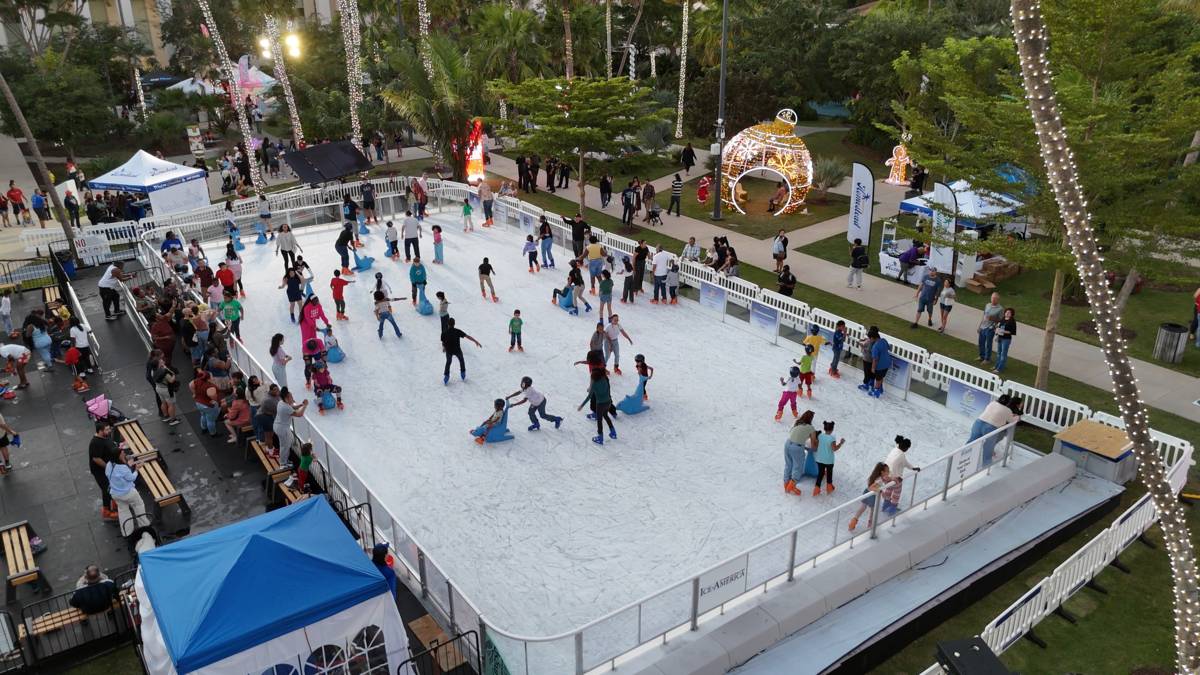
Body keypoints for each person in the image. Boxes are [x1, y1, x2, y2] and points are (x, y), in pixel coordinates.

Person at [968, 395, 1022, 464]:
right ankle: (986, 467)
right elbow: (1012, 420)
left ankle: (962, 457)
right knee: (988, 449)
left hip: (978, 422)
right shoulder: (1007, 410)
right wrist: (1017, 417)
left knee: (971, 442)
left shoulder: (992, 403)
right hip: (990, 428)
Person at [89, 422, 119, 521]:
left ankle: (114, 503)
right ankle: (107, 512)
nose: (109, 431)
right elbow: (96, 458)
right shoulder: (95, 443)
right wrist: (108, 467)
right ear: (100, 431)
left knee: (112, 486)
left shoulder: (106, 437)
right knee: (106, 489)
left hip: (108, 468)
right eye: (107, 429)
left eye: (109, 429)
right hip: (100, 471)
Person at [882, 435, 920, 512]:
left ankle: (885, 505)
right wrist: (913, 468)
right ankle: (892, 509)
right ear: (906, 448)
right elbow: (906, 464)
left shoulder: (894, 450)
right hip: (895, 479)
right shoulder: (901, 455)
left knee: (889, 489)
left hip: (886, 476)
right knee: (897, 492)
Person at [579, 367, 616, 445]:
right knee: (605, 415)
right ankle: (613, 432)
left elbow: (589, 397)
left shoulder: (595, 384)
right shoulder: (604, 379)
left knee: (599, 420)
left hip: (600, 404)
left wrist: (582, 405)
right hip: (608, 402)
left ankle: (600, 437)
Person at [847, 463, 890, 531]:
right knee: (872, 510)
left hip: (866, 492)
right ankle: (870, 525)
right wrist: (878, 490)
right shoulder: (879, 480)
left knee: (863, 508)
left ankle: (853, 522)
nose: (889, 472)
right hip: (871, 495)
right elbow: (871, 487)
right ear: (882, 472)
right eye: (887, 471)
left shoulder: (877, 477)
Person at [783, 411, 817, 496]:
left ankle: (786, 484)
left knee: (788, 465)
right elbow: (813, 444)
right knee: (798, 467)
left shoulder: (797, 422)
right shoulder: (811, 428)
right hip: (797, 447)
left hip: (787, 444)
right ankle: (790, 486)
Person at [440, 318, 482, 384]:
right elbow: (467, 336)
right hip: (457, 350)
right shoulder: (457, 331)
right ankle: (463, 373)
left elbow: (443, 342)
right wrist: (475, 341)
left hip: (449, 351)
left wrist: (444, 348)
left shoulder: (444, 333)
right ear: (454, 324)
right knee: (461, 360)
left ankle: (446, 376)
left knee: (448, 362)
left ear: (448, 324)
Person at [272, 387, 309, 458]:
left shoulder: (281, 402)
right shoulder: (285, 407)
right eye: (291, 397)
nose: (293, 398)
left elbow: (292, 408)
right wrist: (305, 406)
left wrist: (301, 404)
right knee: (285, 447)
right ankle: (283, 463)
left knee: (284, 445)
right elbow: (299, 414)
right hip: (282, 429)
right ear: (286, 398)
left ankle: (284, 461)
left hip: (278, 426)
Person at [812, 420, 844, 495]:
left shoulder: (820, 436)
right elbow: (834, 449)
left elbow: (816, 444)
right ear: (832, 429)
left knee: (820, 473)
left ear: (824, 428)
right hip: (829, 460)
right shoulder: (832, 439)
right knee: (829, 474)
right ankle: (829, 488)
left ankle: (816, 490)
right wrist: (841, 443)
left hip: (820, 459)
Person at [978, 292, 1004, 363]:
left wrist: (993, 318)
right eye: (992, 298)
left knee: (988, 344)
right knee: (981, 342)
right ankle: (981, 356)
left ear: (998, 300)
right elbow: (983, 316)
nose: (993, 299)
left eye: (995, 298)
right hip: (983, 327)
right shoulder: (987, 305)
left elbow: (1002, 320)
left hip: (990, 328)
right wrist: (979, 326)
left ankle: (987, 359)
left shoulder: (1000, 309)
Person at [866, 326, 891, 398]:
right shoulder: (884, 340)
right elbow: (889, 348)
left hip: (880, 366)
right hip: (887, 363)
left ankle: (876, 392)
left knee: (878, 379)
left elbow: (875, 359)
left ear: (873, 338)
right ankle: (880, 389)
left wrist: (873, 368)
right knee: (881, 377)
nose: (869, 340)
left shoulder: (875, 347)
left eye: (869, 338)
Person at [993, 308, 1017, 373]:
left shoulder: (1012, 321)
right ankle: (997, 365)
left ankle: (999, 369)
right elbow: (999, 327)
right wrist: (997, 332)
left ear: (1012, 314)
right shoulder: (1003, 319)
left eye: (1009, 313)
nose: (1007, 313)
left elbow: (1012, 332)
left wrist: (1003, 331)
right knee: (998, 353)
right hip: (1000, 337)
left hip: (1006, 339)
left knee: (1003, 354)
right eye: (1006, 312)